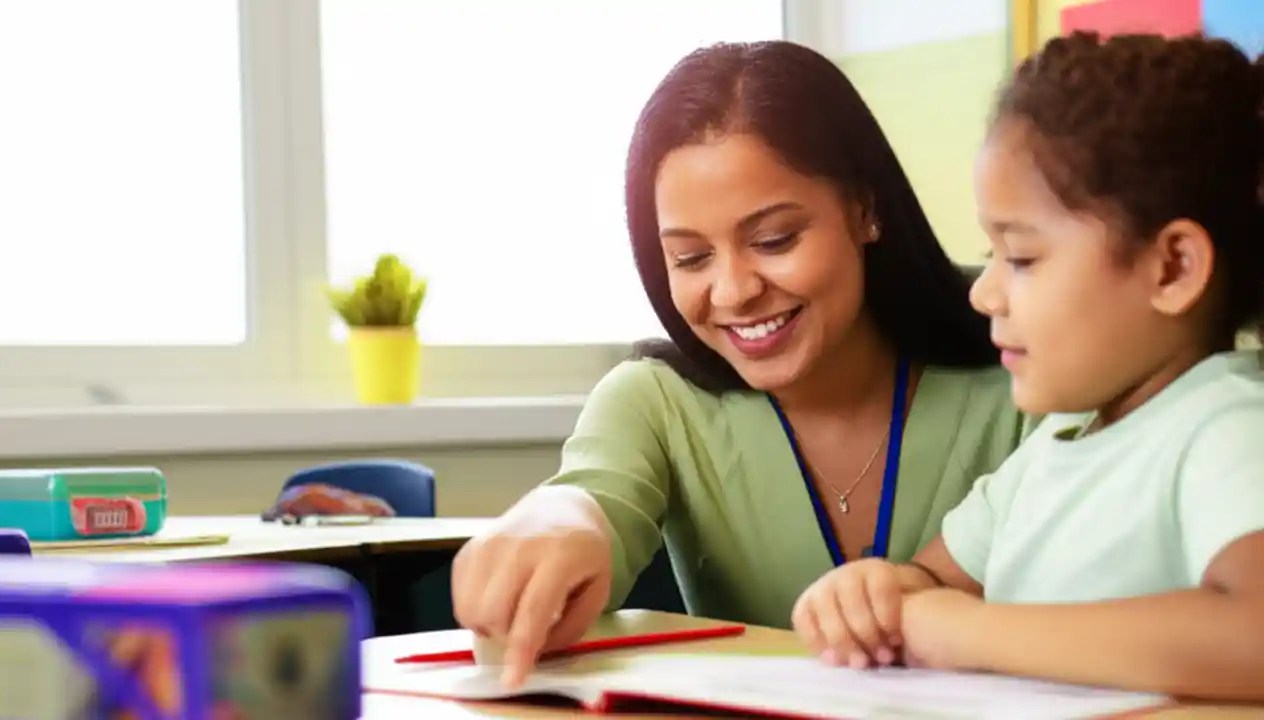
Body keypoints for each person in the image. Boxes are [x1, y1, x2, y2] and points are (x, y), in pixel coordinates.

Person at [451, 39, 1032, 688]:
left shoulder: (1027, 344)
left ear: (864, 209)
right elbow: (593, 496)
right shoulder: (656, 400)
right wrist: (552, 519)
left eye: (774, 240)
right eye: (691, 258)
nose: (732, 292)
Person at [791, 31, 1264, 701]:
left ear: (1172, 268)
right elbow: (932, 585)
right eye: (992, 256)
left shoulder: (1227, 426)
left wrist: (970, 633)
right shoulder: (1051, 448)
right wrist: (877, 594)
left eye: (1021, 258)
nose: (983, 294)